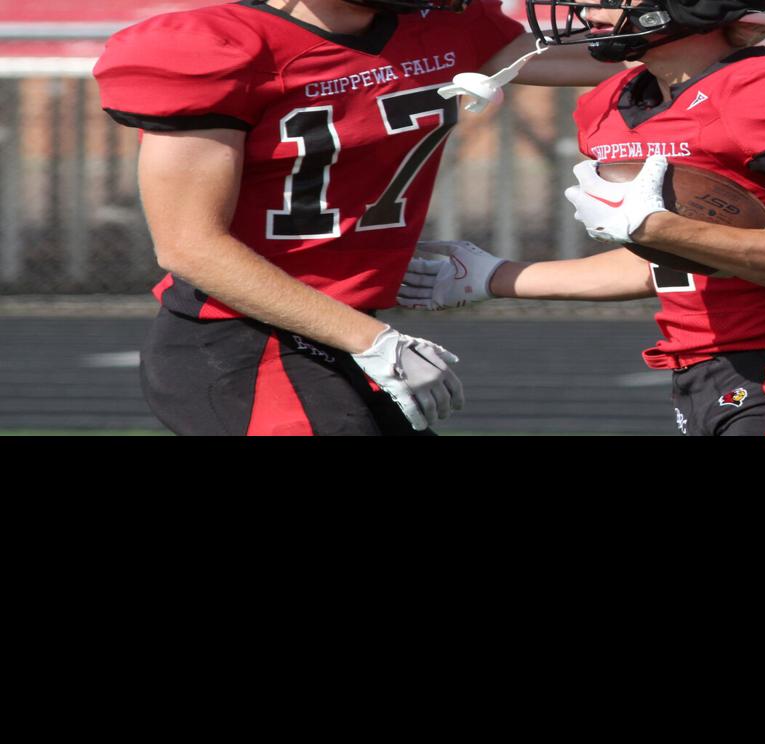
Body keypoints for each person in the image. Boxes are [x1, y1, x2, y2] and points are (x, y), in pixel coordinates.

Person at [93, 0, 613, 435]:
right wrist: (372, 340)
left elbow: (622, 61)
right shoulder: (219, 47)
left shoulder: (444, 29)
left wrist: (683, 19)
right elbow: (189, 246)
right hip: (241, 338)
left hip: (345, 329)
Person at [400, 0, 765, 436]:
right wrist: (496, 277)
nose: (592, 9)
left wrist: (657, 225)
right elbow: (678, 264)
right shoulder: (619, 106)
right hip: (706, 371)